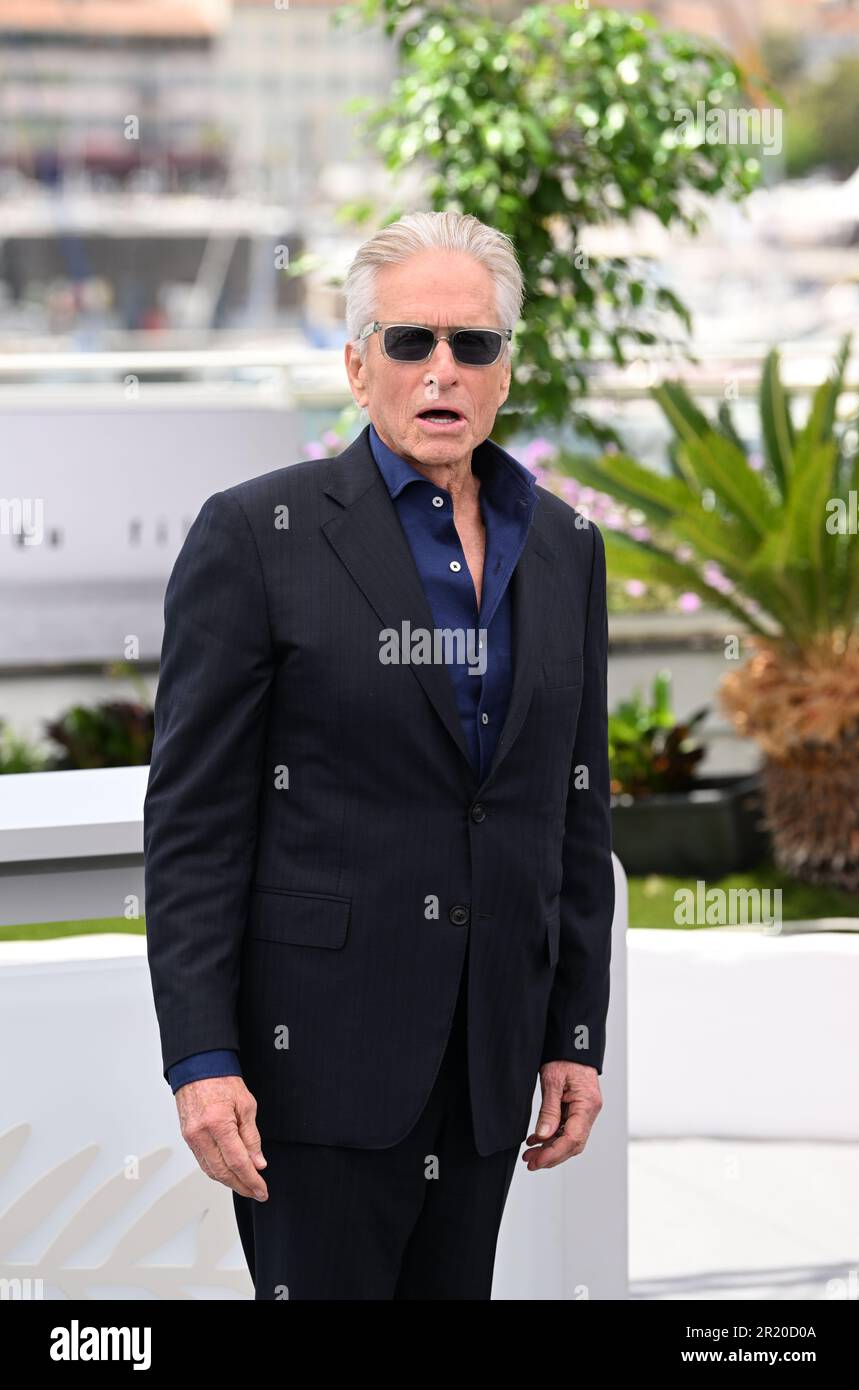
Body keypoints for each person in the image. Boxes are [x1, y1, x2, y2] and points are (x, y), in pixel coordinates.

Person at [144, 209, 614, 1300]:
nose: (441, 369)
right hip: (315, 1071)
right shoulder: (252, 536)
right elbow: (195, 827)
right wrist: (202, 1058)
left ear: (505, 372)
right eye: (410, 342)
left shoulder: (565, 548)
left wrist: (574, 1032)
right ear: (358, 366)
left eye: (472, 344)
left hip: (489, 1068)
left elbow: (571, 813)